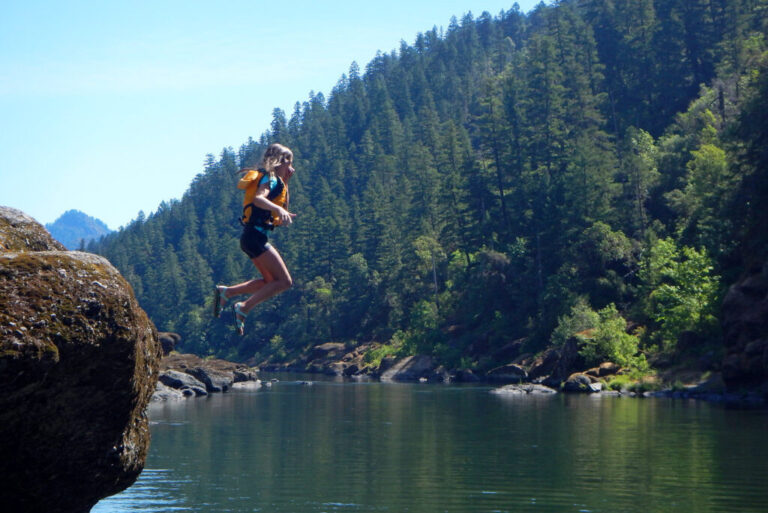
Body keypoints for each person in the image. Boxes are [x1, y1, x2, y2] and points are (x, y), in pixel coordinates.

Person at [212, 143, 296, 335]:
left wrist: (285, 193)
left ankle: (228, 292)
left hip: (252, 237)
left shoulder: (276, 181)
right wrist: (278, 209)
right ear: (279, 162)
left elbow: (281, 205)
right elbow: (259, 198)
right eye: (289, 163)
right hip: (255, 237)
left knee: (270, 282)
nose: (291, 168)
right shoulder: (270, 179)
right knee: (284, 282)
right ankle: (243, 307)